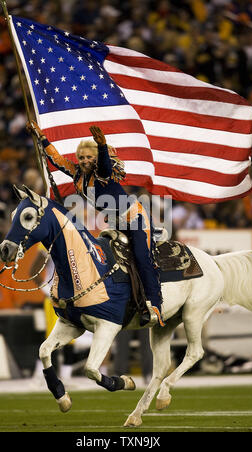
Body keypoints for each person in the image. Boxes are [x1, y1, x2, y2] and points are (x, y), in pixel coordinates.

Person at [27, 120, 164, 327]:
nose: (84, 161)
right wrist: (42, 138)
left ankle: (155, 307)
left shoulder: (102, 174)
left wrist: (101, 146)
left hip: (134, 219)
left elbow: (106, 167)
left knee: (142, 258)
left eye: (89, 157)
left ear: (96, 158)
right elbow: (56, 160)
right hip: (115, 224)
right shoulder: (78, 175)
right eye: (81, 157)